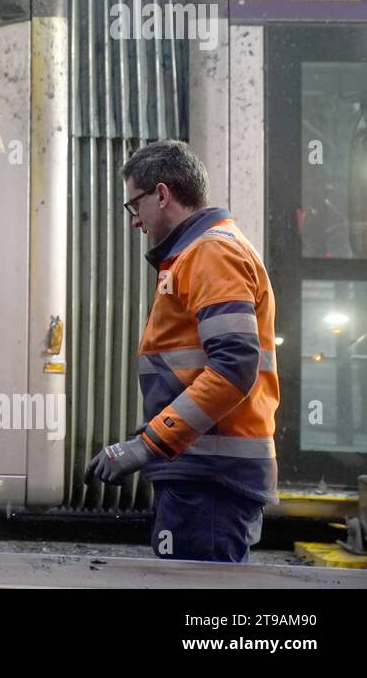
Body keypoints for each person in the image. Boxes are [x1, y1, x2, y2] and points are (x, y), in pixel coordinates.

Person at [85, 140, 280, 562]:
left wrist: (148, 445)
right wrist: (145, 441)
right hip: (201, 471)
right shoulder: (202, 252)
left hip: (210, 477)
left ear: (162, 193)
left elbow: (233, 367)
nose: (135, 221)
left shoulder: (212, 251)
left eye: (134, 206)